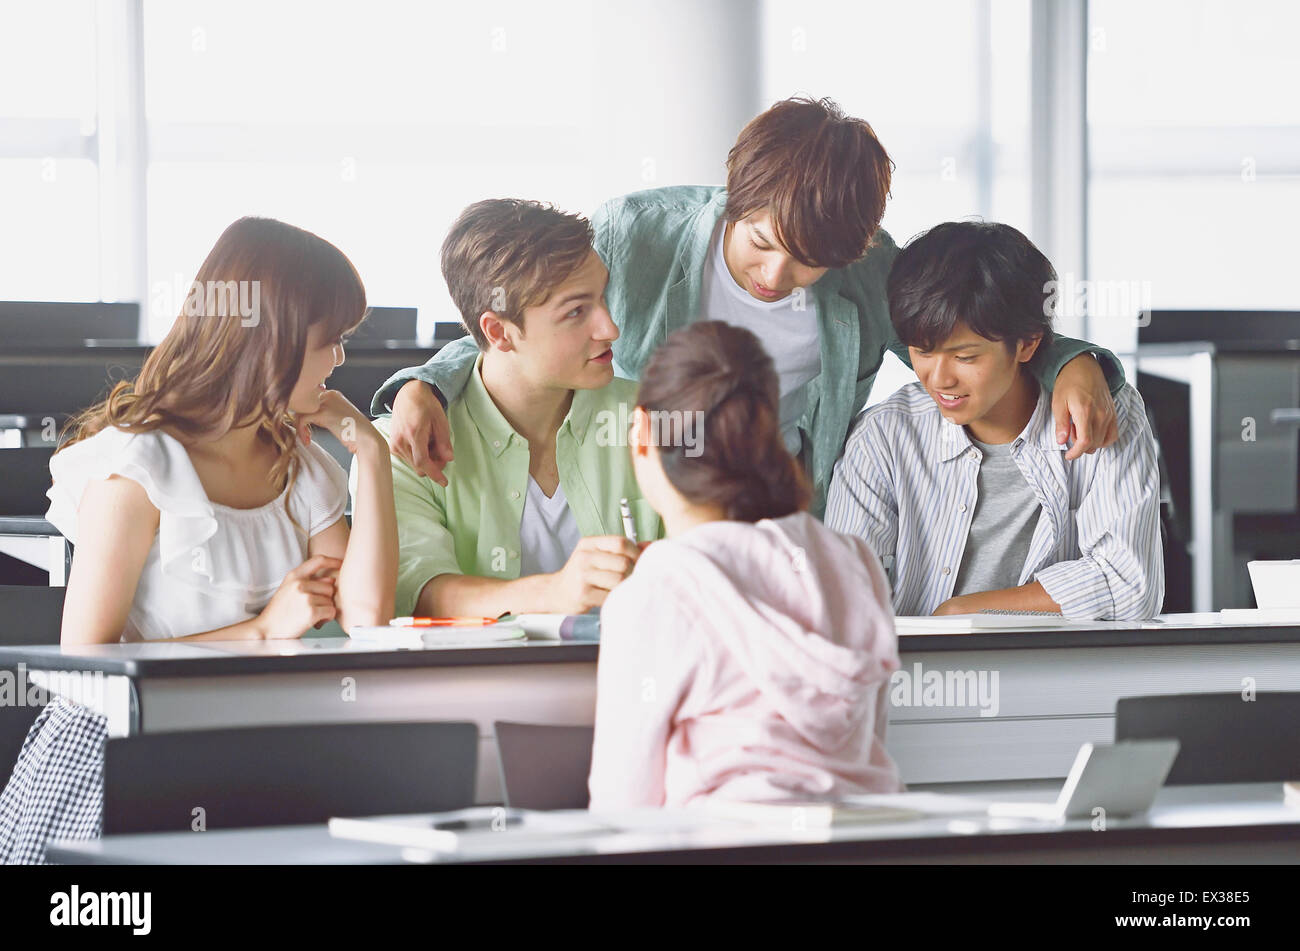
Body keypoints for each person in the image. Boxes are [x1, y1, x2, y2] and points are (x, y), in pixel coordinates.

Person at [371, 96, 1127, 517]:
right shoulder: (635, 233)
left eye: (809, 262)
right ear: (736, 196)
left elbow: (969, 335)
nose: (777, 274)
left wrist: (1076, 363)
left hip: (780, 508)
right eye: (762, 242)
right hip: (634, 497)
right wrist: (426, 382)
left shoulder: (866, 269)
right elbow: (531, 321)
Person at [587, 321, 902, 809]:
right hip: (864, 838)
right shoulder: (853, 561)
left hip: (721, 841)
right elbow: (872, 736)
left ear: (642, 432)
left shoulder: (658, 591)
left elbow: (624, 805)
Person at [46, 217, 398, 644]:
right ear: (271, 340)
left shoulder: (300, 467)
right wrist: (261, 630)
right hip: (155, 695)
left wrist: (372, 452)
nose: (339, 358)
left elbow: (367, 617)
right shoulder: (137, 471)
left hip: (267, 691)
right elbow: (86, 661)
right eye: (331, 339)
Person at [825, 221, 1164, 619]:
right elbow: (839, 598)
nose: (939, 379)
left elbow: (1130, 585)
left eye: (965, 357)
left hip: (1058, 662)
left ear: (1027, 343)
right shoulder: (883, 438)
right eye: (922, 352)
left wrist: (960, 613)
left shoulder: (1100, 412)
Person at [361, 199, 657, 619]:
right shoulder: (401, 443)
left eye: (602, 297)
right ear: (499, 331)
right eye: (576, 311)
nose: (610, 328)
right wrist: (553, 593)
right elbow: (419, 590)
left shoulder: (656, 419)